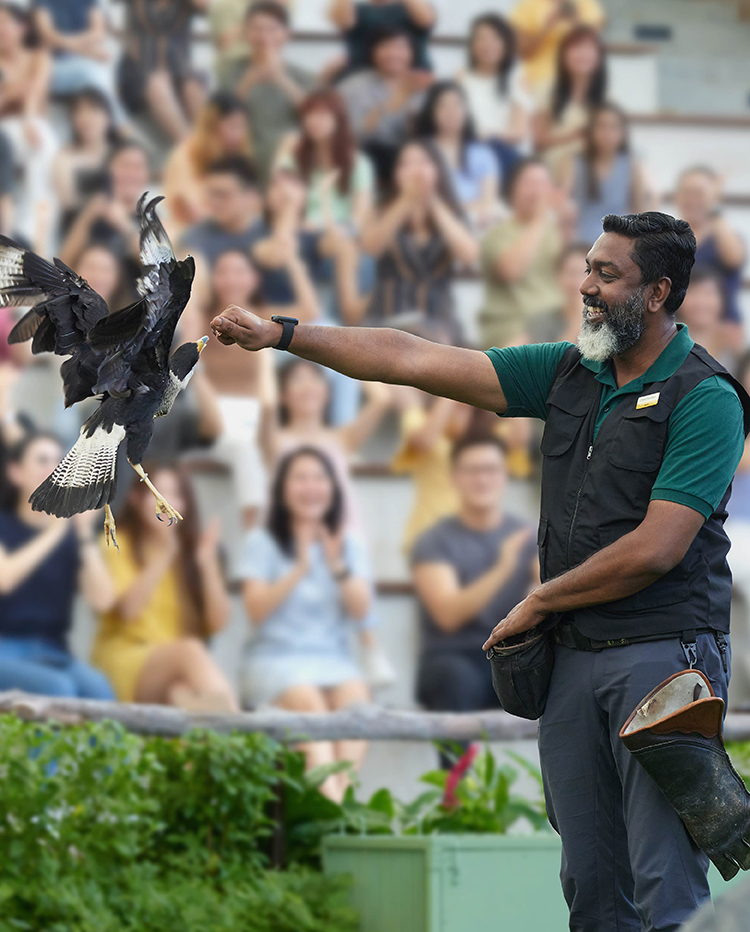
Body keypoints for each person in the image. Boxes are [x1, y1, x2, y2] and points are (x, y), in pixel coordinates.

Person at [211, 209, 749, 929]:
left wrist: (537, 602)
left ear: (657, 294)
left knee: (665, 887)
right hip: (576, 660)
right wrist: (282, 333)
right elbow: (411, 359)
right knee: (590, 887)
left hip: (663, 660)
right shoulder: (570, 371)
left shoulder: (706, 397)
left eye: (606, 274)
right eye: (587, 267)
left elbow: (659, 546)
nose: (585, 286)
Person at [240, 447, 372, 800]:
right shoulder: (262, 541)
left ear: (332, 488)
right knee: (308, 700)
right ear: (283, 489)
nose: (311, 487)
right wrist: (298, 567)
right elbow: (255, 610)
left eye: (319, 478)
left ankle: (339, 801)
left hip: (332, 660)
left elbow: (362, 610)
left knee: (357, 701)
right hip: (274, 660)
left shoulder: (347, 544)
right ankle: (334, 810)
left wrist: (336, 565)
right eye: (300, 478)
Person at [92, 462, 237, 711]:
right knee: (190, 651)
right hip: (125, 658)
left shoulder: (192, 554)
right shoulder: (118, 542)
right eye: (156, 492)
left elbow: (217, 624)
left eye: (175, 495)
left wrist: (207, 565)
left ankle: (227, 743)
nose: (165, 502)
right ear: (137, 499)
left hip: (175, 667)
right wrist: (164, 555)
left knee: (183, 699)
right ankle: (246, 734)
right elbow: (128, 612)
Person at [412, 434, 538, 716]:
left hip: (513, 655)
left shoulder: (529, 536)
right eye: (472, 471)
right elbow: (448, 616)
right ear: (454, 477)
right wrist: (503, 567)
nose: (482, 479)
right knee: (453, 677)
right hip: (454, 656)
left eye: (491, 470)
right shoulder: (434, 541)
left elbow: (548, 593)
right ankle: (458, 762)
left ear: (505, 475)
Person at [0, 432, 115, 699]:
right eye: (42, 460)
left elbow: (103, 602)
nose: (53, 470)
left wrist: (84, 534)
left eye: (58, 461)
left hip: (52, 651)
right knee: (58, 689)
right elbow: (4, 579)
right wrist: (55, 531)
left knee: (100, 691)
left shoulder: (72, 534)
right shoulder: (4, 526)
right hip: (5, 646)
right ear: (16, 473)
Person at [362, 139, 479, 340]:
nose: (415, 170)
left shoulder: (450, 213)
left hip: (437, 317)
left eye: (423, 162)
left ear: (437, 169)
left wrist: (432, 202)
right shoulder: (382, 210)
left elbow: (470, 255)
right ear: (396, 174)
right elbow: (371, 246)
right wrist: (406, 201)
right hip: (386, 314)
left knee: (429, 343)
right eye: (405, 164)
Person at [221, 1, 316, 184]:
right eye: (256, 29)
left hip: (290, 153)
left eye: (272, 29)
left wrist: (282, 79)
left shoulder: (303, 76)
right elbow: (222, 114)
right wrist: (249, 81)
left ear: (286, 34)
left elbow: (316, 114)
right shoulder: (232, 71)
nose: (264, 36)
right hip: (244, 149)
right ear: (246, 33)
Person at [479, 157, 564, 349]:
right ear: (512, 189)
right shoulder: (498, 234)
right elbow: (511, 272)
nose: (536, 191)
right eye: (529, 183)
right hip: (511, 324)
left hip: (555, 323)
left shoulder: (558, 232)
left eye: (542, 184)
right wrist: (540, 219)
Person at [337, 25, 433, 187]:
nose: (393, 54)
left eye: (401, 47)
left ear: (412, 53)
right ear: (373, 51)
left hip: (410, 160)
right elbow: (351, 135)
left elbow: (425, 138)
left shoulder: (421, 86)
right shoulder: (354, 86)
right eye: (386, 47)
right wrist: (392, 103)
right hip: (366, 157)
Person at [59, 141, 153, 300]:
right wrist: (89, 215)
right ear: (109, 169)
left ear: (146, 174)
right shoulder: (90, 211)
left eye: (137, 167)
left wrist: (124, 225)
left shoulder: (153, 220)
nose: (131, 173)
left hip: (133, 308)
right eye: (124, 165)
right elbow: (65, 262)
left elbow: (158, 268)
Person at [275, 88, 375, 235]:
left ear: (339, 120)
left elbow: (358, 221)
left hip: (337, 236)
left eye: (322, 114)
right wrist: (283, 150)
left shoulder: (358, 164)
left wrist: (326, 230)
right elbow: (277, 197)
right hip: (299, 232)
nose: (313, 120)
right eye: (309, 114)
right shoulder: (296, 156)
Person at [0, 2, 57, 255]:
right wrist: (15, 93)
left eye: (5, 24)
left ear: (21, 28)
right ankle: (12, 232)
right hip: (3, 129)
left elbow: (35, 93)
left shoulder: (38, 56)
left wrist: (28, 119)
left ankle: (33, 235)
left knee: (43, 146)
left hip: (30, 122)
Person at [116, 0, 209, 142]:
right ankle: (188, 148)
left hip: (178, 71)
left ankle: (208, 145)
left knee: (192, 86)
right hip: (138, 71)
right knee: (157, 83)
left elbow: (205, 6)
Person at [163, 92, 255, 234]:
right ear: (212, 127)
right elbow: (191, 210)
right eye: (232, 126)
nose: (239, 135)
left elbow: (253, 204)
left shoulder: (240, 156)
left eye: (242, 127)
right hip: (192, 232)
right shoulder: (186, 155)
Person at [563, 103, 654, 246]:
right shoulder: (576, 163)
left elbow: (641, 207)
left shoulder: (632, 164)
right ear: (591, 131)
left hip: (620, 242)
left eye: (614, 128)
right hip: (581, 242)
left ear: (623, 133)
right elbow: (563, 204)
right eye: (602, 127)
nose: (607, 134)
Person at [673, 165, 745, 344]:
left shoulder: (724, 236)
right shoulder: (669, 239)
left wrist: (714, 209)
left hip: (723, 332)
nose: (692, 199)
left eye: (699, 193)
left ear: (713, 197)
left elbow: (735, 259)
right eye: (687, 192)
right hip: (678, 331)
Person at [414, 80, 500, 229]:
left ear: (466, 111)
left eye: (457, 105)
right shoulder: (419, 152)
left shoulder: (482, 153)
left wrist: (453, 209)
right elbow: (419, 202)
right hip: (434, 226)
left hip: (477, 222)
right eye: (443, 105)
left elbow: (488, 202)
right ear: (431, 112)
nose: (451, 111)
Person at [456, 13, 532, 179]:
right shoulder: (461, 78)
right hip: (472, 154)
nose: (487, 45)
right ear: (472, 45)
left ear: (506, 43)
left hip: (507, 154)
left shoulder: (516, 74)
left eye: (495, 38)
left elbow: (519, 132)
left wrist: (488, 135)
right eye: (480, 39)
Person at [32, 0, 127, 127]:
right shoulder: (42, 2)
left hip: (86, 57)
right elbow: (48, 36)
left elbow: (98, 33)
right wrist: (86, 51)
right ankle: (121, 126)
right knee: (92, 71)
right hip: (55, 64)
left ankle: (108, 125)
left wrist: (75, 47)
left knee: (106, 60)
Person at [532, 25, 607, 184]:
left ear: (599, 57)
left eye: (589, 49)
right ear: (563, 55)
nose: (582, 55)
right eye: (576, 48)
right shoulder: (547, 89)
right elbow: (538, 140)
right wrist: (575, 136)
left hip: (592, 169)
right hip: (555, 166)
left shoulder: (604, 99)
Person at [53, 88, 121, 235]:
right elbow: (67, 201)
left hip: (119, 222)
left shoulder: (121, 152)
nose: (86, 117)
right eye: (79, 112)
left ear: (108, 116)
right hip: (78, 227)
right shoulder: (65, 156)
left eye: (93, 110)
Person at [509, 0, 605, 93]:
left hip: (581, 81)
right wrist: (548, 26)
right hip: (542, 81)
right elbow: (524, 52)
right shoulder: (527, 5)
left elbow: (595, 44)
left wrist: (575, 20)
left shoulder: (585, 3)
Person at [328, 0, 436, 76]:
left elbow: (425, 20)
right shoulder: (359, 10)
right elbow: (343, 22)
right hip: (363, 78)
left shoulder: (414, 8)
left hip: (413, 78)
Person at [676, 266, 735, 370]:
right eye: (693, 293)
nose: (701, 301)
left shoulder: (733, 341)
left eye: (708, 293)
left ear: (722, 299)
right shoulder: (666, 341)